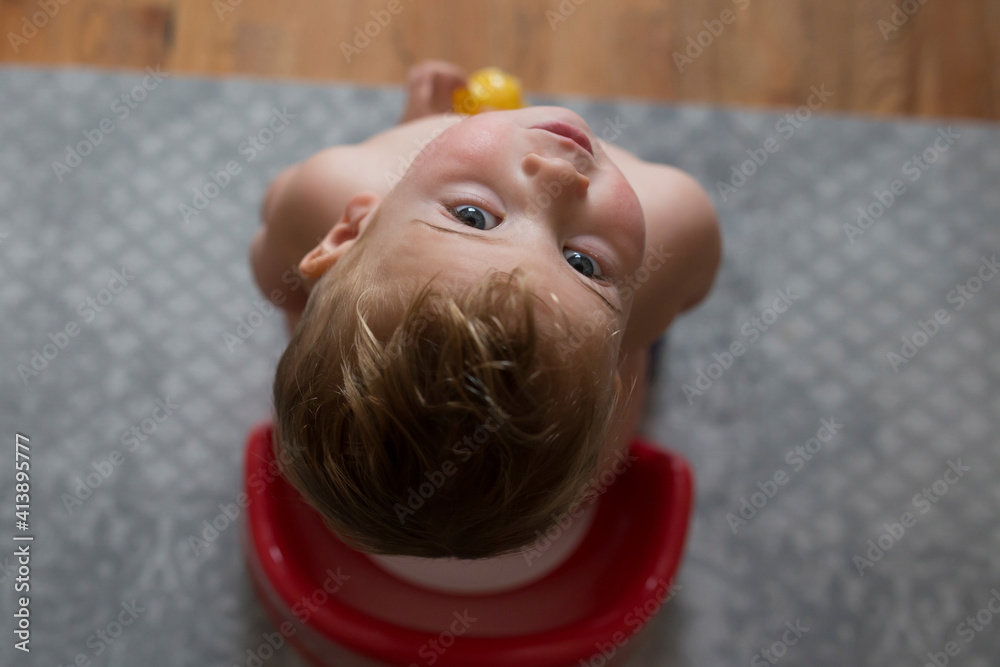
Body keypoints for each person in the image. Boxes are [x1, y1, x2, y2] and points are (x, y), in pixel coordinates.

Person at [249, 60, 720, 584]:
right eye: (582, 263)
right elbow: (692, 292)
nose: (562, 177)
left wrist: (407, 136)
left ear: (345, 233)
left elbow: (274, 275)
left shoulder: (323, 187)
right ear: (613, 392)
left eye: (473, 216)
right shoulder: (675, 220)